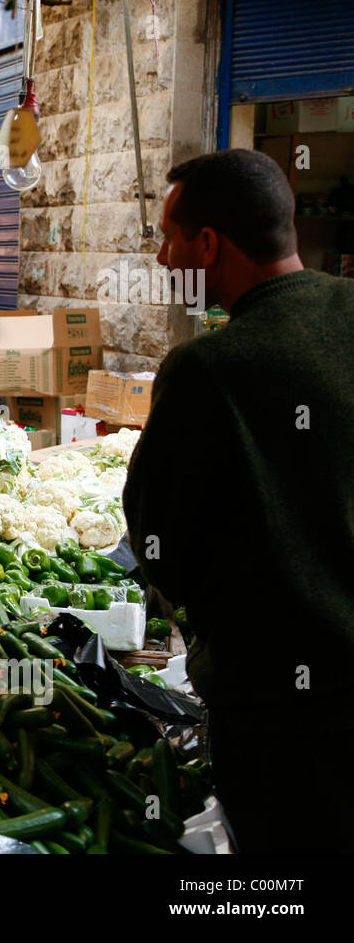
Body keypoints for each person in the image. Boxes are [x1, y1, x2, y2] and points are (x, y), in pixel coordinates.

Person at [123, 148, 354, 853]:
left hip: (283, 710)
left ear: (208, 244)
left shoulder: (208, 368)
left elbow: (163, 544)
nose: (163, 259)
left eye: (168, 237)